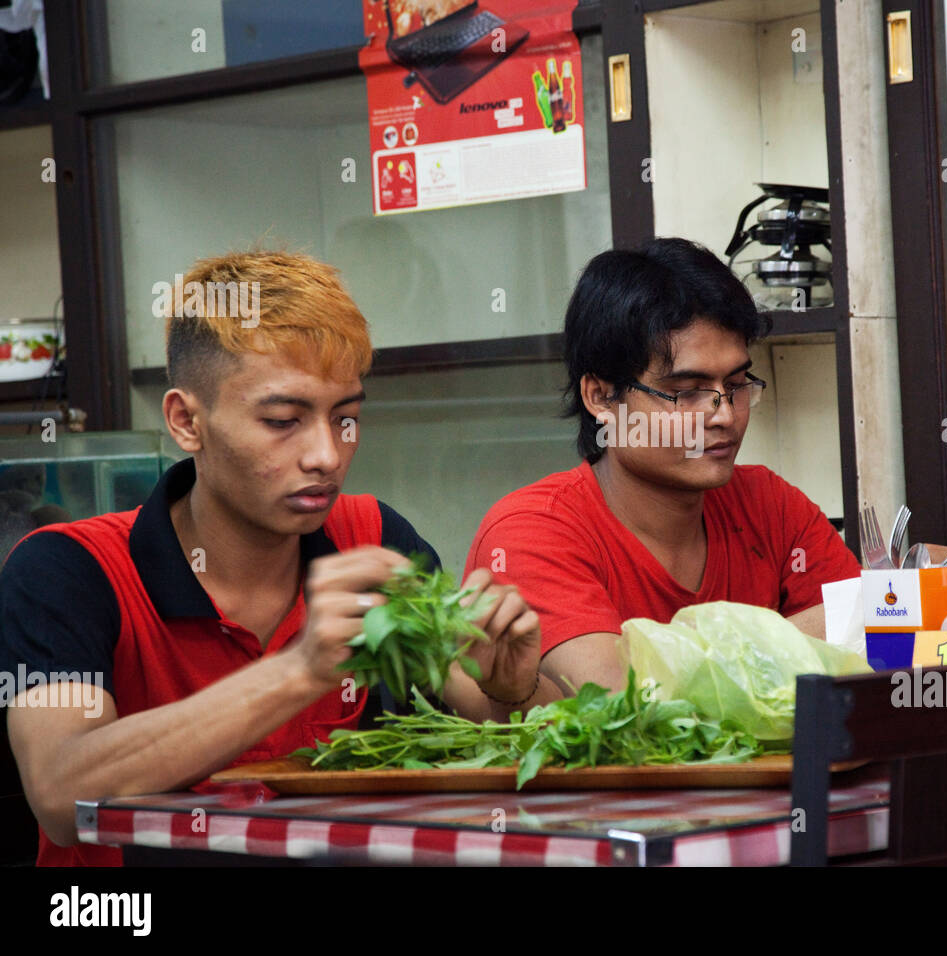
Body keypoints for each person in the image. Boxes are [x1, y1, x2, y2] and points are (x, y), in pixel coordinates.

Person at [0, 251, 558, 866]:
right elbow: (60, 791)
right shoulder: (67, 569)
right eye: (283, 420)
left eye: (345, 418)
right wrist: (300, 671)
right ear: (187, 421)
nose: (325, 454)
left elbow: (510, 730)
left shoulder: (372, 538)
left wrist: (513, 687)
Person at [466, 238, 947, 693]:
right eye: (688, 390)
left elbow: (882, 654)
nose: (724, 414)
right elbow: (621, 695)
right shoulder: (533, 531)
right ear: (601, 397)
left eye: (737, 383)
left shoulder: (767, 503)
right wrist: (882, 604)